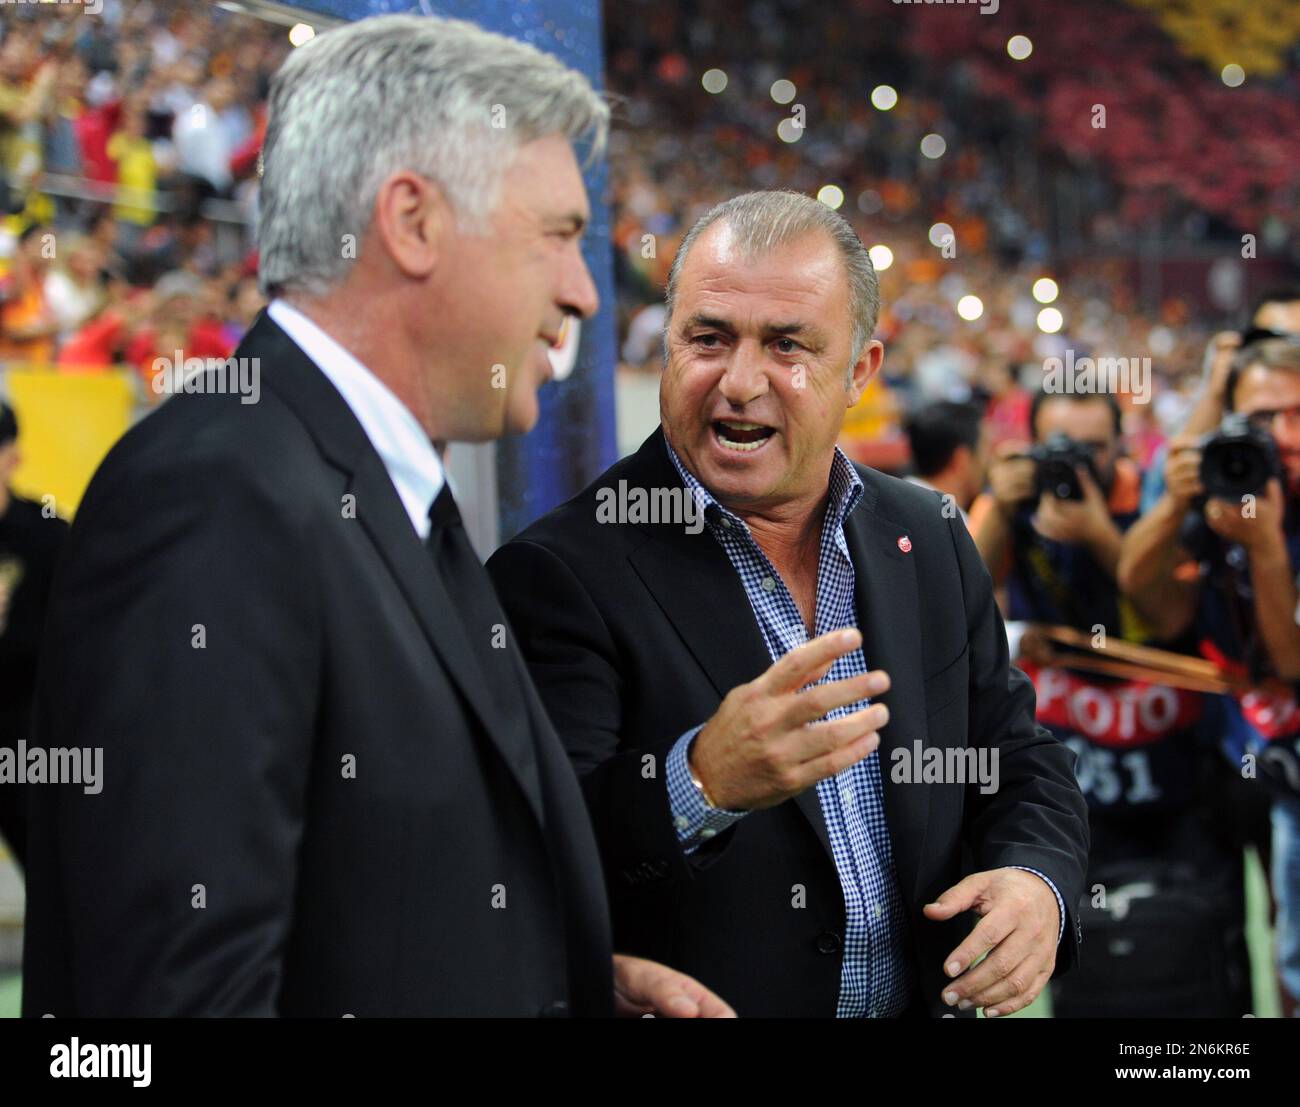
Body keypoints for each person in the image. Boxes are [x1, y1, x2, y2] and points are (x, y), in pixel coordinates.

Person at [22, 14, 730, 1019]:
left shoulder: (368, 494)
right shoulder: (217, 497)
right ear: (412, 222)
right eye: (560, 237)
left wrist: (563, 987)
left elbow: (373, 909)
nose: (583, 291)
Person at [488, 190, 1088, 1018]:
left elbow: (1017, 755)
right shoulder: (556, 573)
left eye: (786, 345)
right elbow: (530, 860)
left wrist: (1036, 883)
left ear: (860, 372)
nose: (739, 382)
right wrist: (698, 783)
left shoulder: (929, 532)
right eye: (708, 338)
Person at [1118, 337, 1300, 1018]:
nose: (1280, 437)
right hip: (1237, 758)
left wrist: (1267, 549)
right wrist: (1173, 504)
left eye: (1295, 414)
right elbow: (1145, 597)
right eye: (1261, 418)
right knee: (1265, 937)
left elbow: (1292, 661)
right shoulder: (1230, 484)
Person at [0, 402, 68, 872]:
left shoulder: (46, 536)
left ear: (13, 457)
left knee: (53, 868)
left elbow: (71, 647)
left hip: (25, 732)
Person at [903, 400, 985, 525]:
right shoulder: (959, 531)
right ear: (961, 460)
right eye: (987, 450)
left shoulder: (892, 500)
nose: (991, 462)